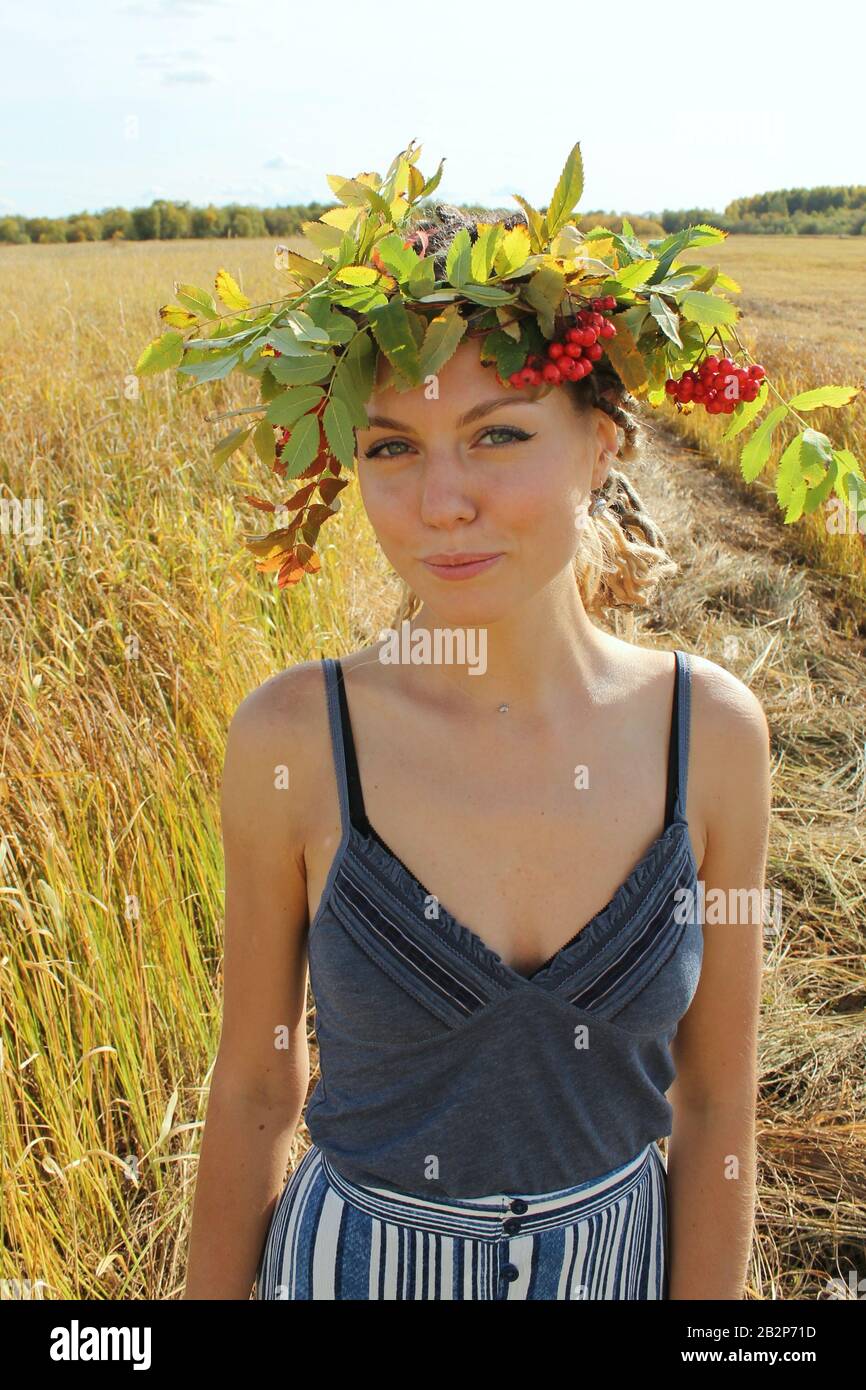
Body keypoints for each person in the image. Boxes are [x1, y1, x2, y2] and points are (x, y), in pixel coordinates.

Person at [182, 206, 771, 1302]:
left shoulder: (712, 740)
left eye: (498, 434)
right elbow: (259, 1088)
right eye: (391, 447)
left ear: (599, 447)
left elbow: (712, 1105)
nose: (441, 504)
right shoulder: (297, 740)